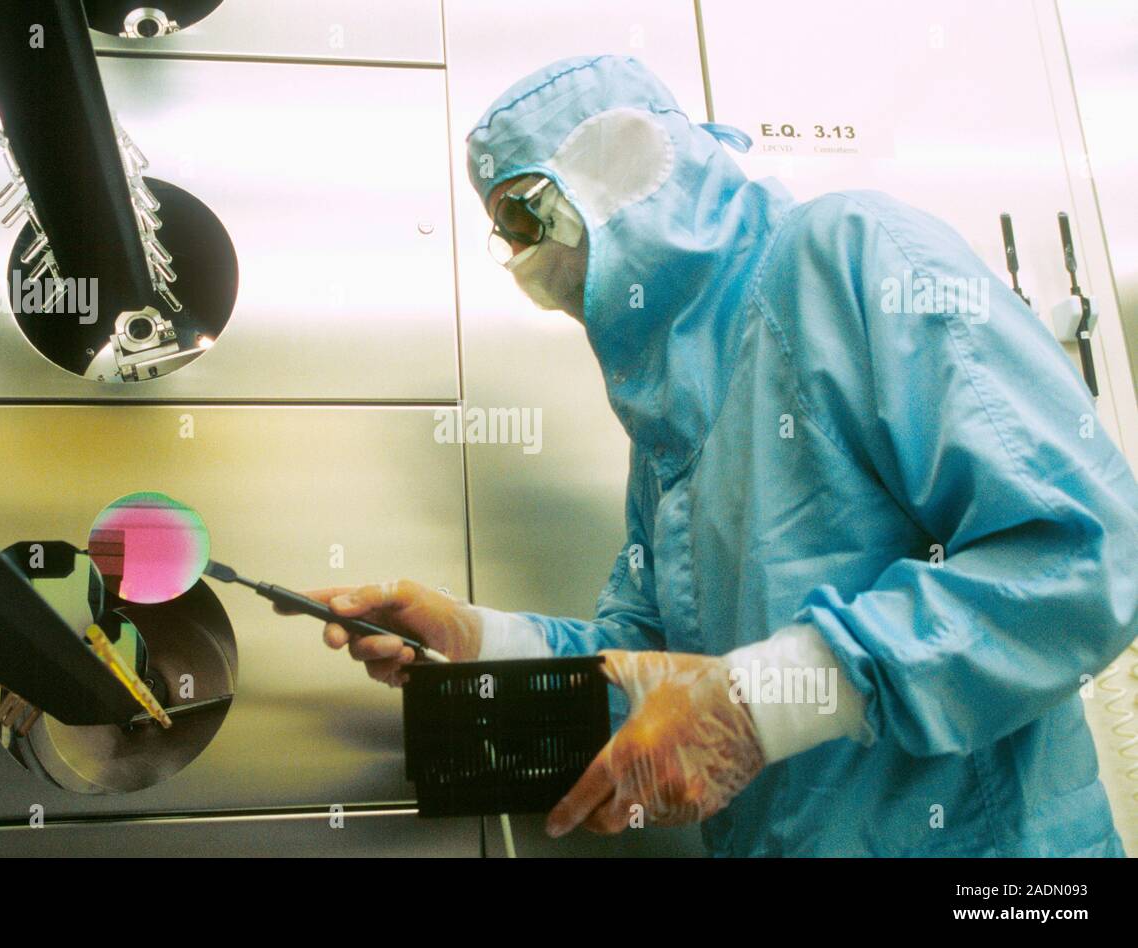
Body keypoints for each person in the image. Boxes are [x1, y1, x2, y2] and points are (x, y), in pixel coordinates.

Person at [286, 55, 1138, 856]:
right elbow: (654, 671)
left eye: (522, 215)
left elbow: (1085, 552)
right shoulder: (670, 426)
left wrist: (763, 702)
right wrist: (479, 639)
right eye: (499, 233)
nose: (516, 258)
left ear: (619, 166)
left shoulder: (851, 256)